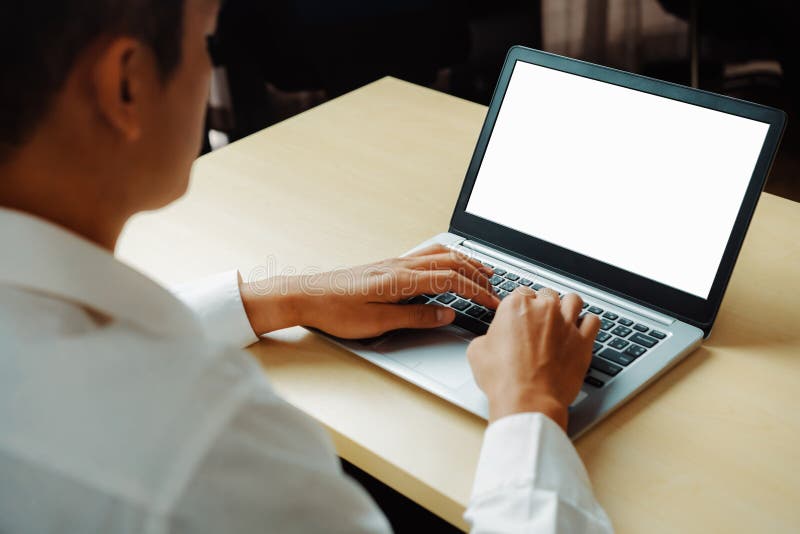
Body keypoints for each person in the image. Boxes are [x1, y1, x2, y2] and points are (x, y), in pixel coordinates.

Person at [0, 1, 612, 532]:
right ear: (125, 86)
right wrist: (530, 404)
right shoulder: (203, 452)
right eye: (205, 42)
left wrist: (283, 298)